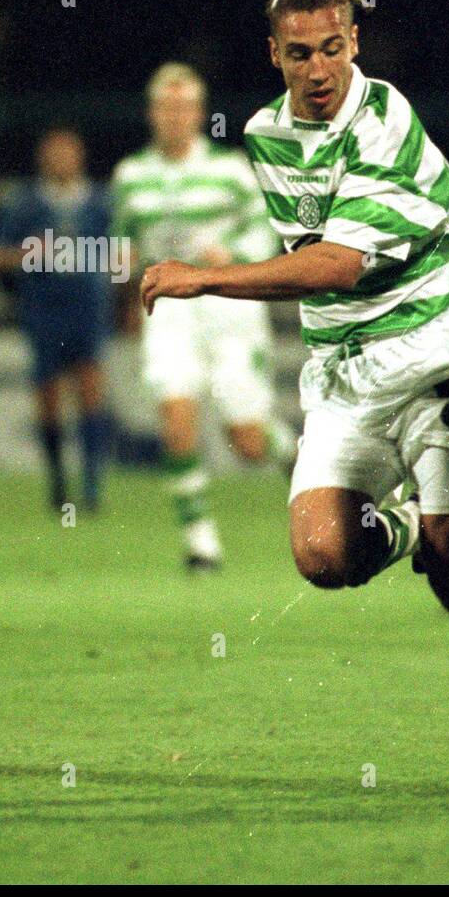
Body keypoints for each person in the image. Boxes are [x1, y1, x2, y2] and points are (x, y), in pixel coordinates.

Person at [139, 0, 449, 794]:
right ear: (275, 56)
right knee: (323, 560)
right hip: (344, 374)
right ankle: (403, 525)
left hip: (436, 353)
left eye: (333, 48)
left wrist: (206, 280)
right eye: (300, 54)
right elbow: (320, 268)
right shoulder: (265, 138)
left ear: (354, 40)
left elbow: (339, 261)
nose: (319, 68)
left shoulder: (385, 116)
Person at [112, 63, 294, 572]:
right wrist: (126, 287)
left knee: (249, 442)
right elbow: (123, 247)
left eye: (184, 107)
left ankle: (293, 453)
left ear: (198, 113)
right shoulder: (131, 176)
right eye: (165, 108)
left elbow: (266, 234)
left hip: (227, 307)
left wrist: (228, 252)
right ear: (153, 114)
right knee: (176, 414)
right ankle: (200, 544)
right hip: (169, 309)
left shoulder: (231, 170)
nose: (175, 117)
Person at [0, 127, 112, 510]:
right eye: (53, 154)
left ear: (80, 158)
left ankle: (91, 488)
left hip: (88, 308)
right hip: (43, 310)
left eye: (67, 153)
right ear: (43, 159)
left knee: (90, 391)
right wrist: (30, 254)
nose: (60, 161)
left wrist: (115, 274)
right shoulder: (25, 203)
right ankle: (58, 485)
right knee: (49, 398)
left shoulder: (100, 202)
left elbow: (126, 252)